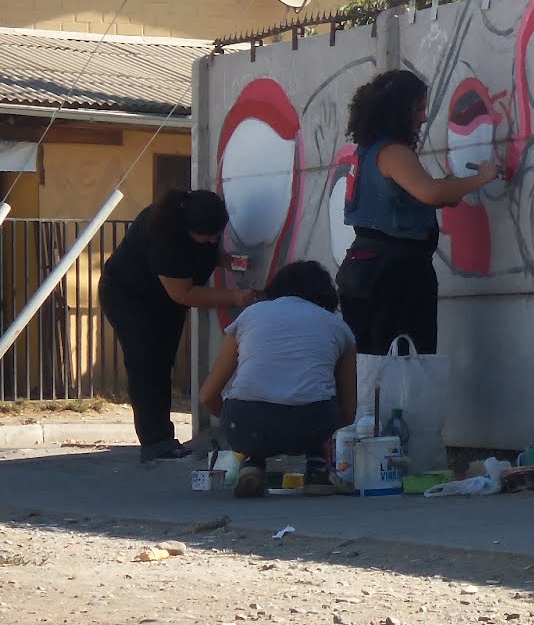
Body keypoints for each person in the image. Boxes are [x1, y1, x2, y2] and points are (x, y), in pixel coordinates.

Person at [335, 68, 497, 355]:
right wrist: (481, 178)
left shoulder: (368, 150)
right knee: (405, 358)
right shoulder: (394, 152)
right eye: (419, 108)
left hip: (366, 266)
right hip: (395, 271)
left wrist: (447, 190)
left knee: (372, 360)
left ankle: (373, 402)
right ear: (399, 110)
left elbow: (414, 196)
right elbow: (430, 192)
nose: (424, 117)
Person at [100, 188, 256, 463]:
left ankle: (161, 439)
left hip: (164, 302)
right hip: (130, 297)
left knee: (163, 363)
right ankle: (156, 443)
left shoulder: (195, 225)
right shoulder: (163, 237)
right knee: (146, 364)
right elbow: (183, 293)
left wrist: (227, 261)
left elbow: (203, 253)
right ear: (187, 229)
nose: (213, 241)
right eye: (208, 236)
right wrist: (234, 296)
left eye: (217, 235)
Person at [198, 260, 356, 498]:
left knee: (253, 408)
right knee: (320, 395)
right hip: (312, 423)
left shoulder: (250, 316)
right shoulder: (337, 326)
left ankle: (252, 464)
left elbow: (208, 395)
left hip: (246, 424)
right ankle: (317, 469)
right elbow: (348, 409)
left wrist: (233, 422)